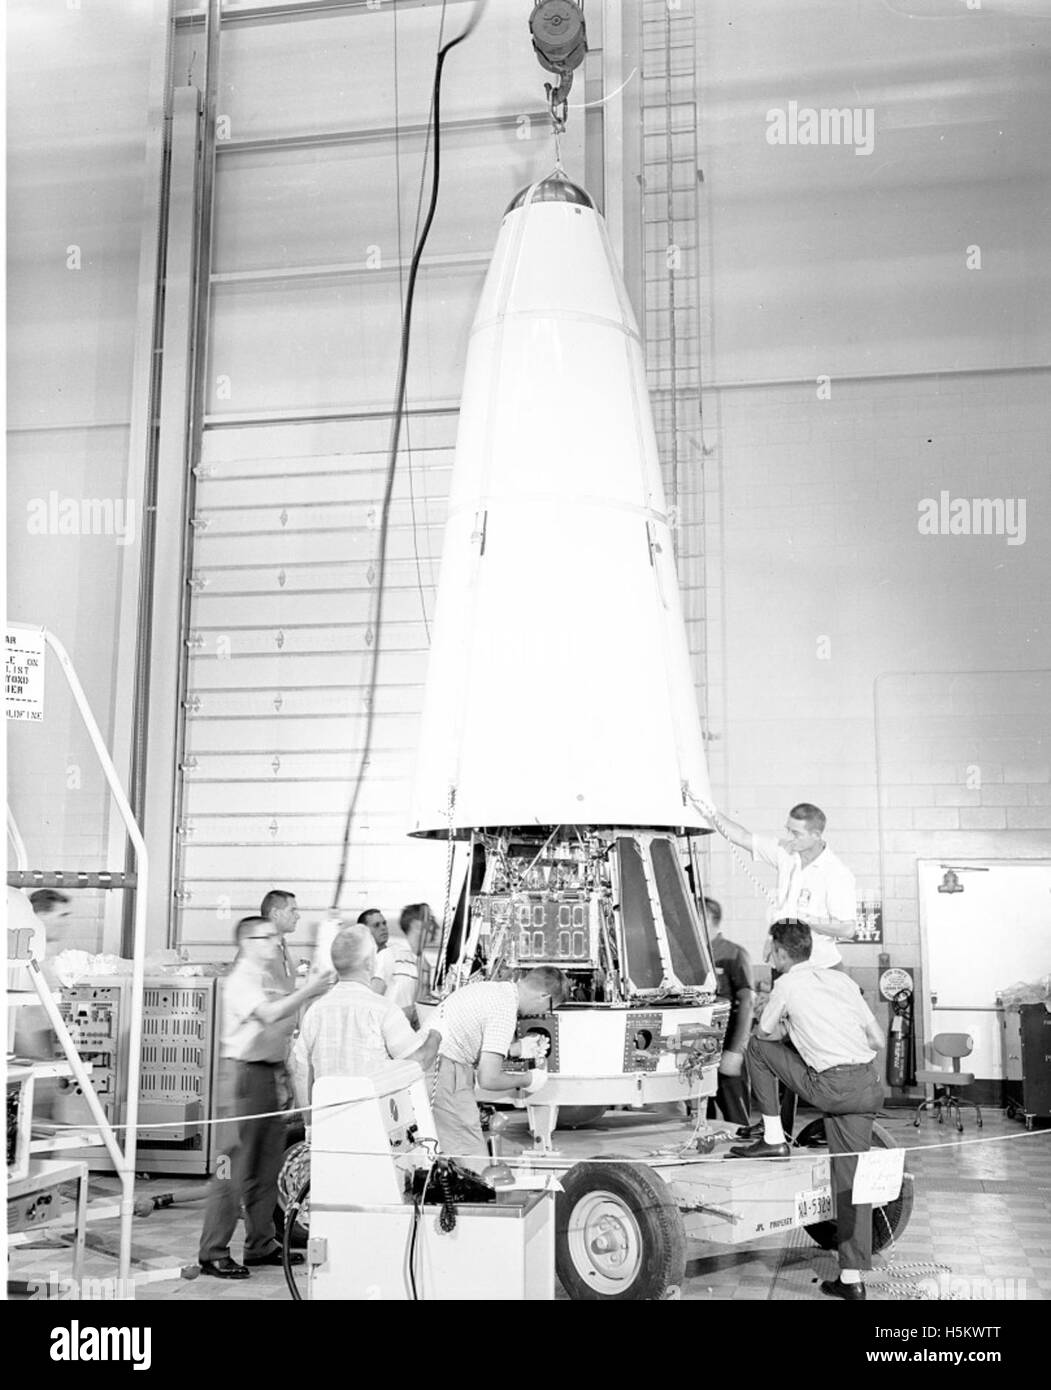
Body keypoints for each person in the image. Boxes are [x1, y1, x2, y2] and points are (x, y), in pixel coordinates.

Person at [728, 920, 885, 1302]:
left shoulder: (787, 984)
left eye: (771, 950)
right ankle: (851, 1279)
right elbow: (876, 1039)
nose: (769, 955)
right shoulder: (843, 982)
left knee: (756, 1050)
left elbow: (765, 1035)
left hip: (831, 1087)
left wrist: (792, 1030)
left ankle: (772, 1138)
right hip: (868, 1085)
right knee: (852, 1183)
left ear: (781, 953)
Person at [198, 916, 333, 1280]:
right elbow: (271, 1013)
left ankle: (261, 1243)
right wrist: (310, 990)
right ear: (249, 941)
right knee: (230, 1168)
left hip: (266, 1075)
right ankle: (212, 1251)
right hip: (239, 1080)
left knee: (266, 1165)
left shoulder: (266, 977)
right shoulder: (241, 979)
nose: (276, 942)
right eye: (268, 937)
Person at [290, 923, 441, 1113]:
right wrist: (436, 1034)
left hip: (327, 1130)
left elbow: (301, 1074)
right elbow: (418, 1062)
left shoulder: (315, 1011)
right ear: (370, 963)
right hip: (375, 1126)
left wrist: (310, 1127)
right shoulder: (383, 1010)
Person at [433, 967, 570, 1171]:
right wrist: (527, 1079)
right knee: (471, 1159)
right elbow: (488, 1078)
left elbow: (477, 1042)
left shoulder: (494, 991)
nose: (543, 1014)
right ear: (544, 996)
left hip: (433, 1067)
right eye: (550, 1008)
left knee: (445, 1154)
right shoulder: (505, 1010)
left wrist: (516, 1049)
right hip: (447, 1075)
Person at [704, 897, 754, 1128]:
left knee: (735, 1114)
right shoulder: (694, 955)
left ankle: (747, 1152)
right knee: (703, 1116)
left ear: (707, 918)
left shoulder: (733, 953)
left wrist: (735, 1051)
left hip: (726, 1047)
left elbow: (747, 1002)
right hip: (701, 1048)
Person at [374, 905, 429, 1024]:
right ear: (416, 925)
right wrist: (404, 1014)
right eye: (430, 921)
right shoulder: (390, 955)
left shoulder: (426, 966)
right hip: (387, 1034)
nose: (435, 927)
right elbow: (372, 1003)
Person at [260, 888, 300, 989]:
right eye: (292, 911)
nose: (298, 916)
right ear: (275, 913)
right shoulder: (257, 949)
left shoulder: (281, 945)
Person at [357, 906, 390, 994]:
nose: (383, 928)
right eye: (376, 925)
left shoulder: (394, 956)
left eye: (384, 923)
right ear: (364, 931)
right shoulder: (355, 963)